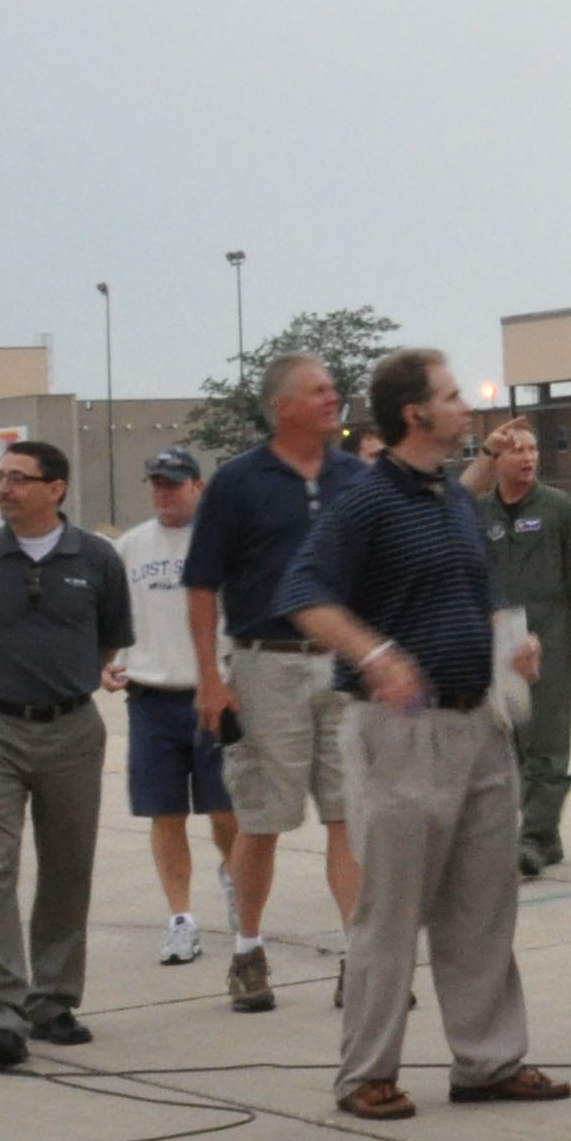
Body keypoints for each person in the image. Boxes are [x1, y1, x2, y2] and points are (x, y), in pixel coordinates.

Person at [278, 349, 567, 1121]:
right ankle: (366, 1073)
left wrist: (510, 647)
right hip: (402, 733)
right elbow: (302, 591)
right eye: (450, 395)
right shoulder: (367, 501)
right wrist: (373, 656)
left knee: (483, 907)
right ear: (415, 414)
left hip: (479, 725)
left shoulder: (449, 498)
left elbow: (467, 595)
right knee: (391, 912)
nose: (464, 406)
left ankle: (488, 1061)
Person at [0, 440, 131, 1067]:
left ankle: (52, 1001)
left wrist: (61, 685)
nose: (4, 488)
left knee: (68, 867)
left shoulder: (96, 560)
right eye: (0, 477)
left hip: (72, 732)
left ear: (56, 488)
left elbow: (107, 645)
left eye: (19, 478)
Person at [182, 353, 364, 1013]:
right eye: (318, 390)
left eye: (332, 388)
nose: (332, 397)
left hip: (344, 666)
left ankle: (361, 960)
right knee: (261, 820)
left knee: (350, 818)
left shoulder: (356, 478)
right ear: (281, 406)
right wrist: (210, 677)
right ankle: (247, 951)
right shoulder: (237, 482)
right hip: (264, 666)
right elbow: (201, 585)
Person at [467, 418, 571, 878]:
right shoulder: (479, 512)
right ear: (496, 460)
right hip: (497, 635)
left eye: (532, 449)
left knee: (546, 736)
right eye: (517, 450)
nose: (528, 457)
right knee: (507, 737)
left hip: (551, 631)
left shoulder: (560, 508)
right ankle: (544, 834)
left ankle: (534, 837)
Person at [111, 449, 236, 963]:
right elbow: (112, 613)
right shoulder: (129, 547)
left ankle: (237, 881)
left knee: (226, 809)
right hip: (151, 699)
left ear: (197, 487)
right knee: (165, 813)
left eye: (173, 483)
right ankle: (181, 919)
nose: (163, 492)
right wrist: (109, 659)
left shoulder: (224, 542)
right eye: (156, 483)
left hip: (215, 695)